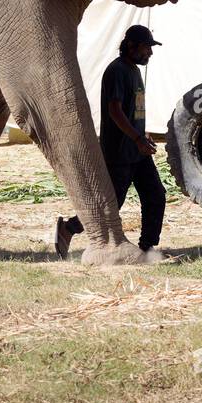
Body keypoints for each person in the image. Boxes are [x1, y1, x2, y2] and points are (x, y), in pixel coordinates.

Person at [55, 24, 167, 261]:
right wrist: (136, 137)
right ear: (131, 46)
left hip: (137, 150)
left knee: (155, 194)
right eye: (147, 47)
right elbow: (115, 110)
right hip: (119, 151)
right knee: (111, 204)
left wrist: (141, 134)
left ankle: (147, 248)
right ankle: (69, 228)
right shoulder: (116, 71)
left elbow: (131, 110)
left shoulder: (134, 71)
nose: (150, 53)